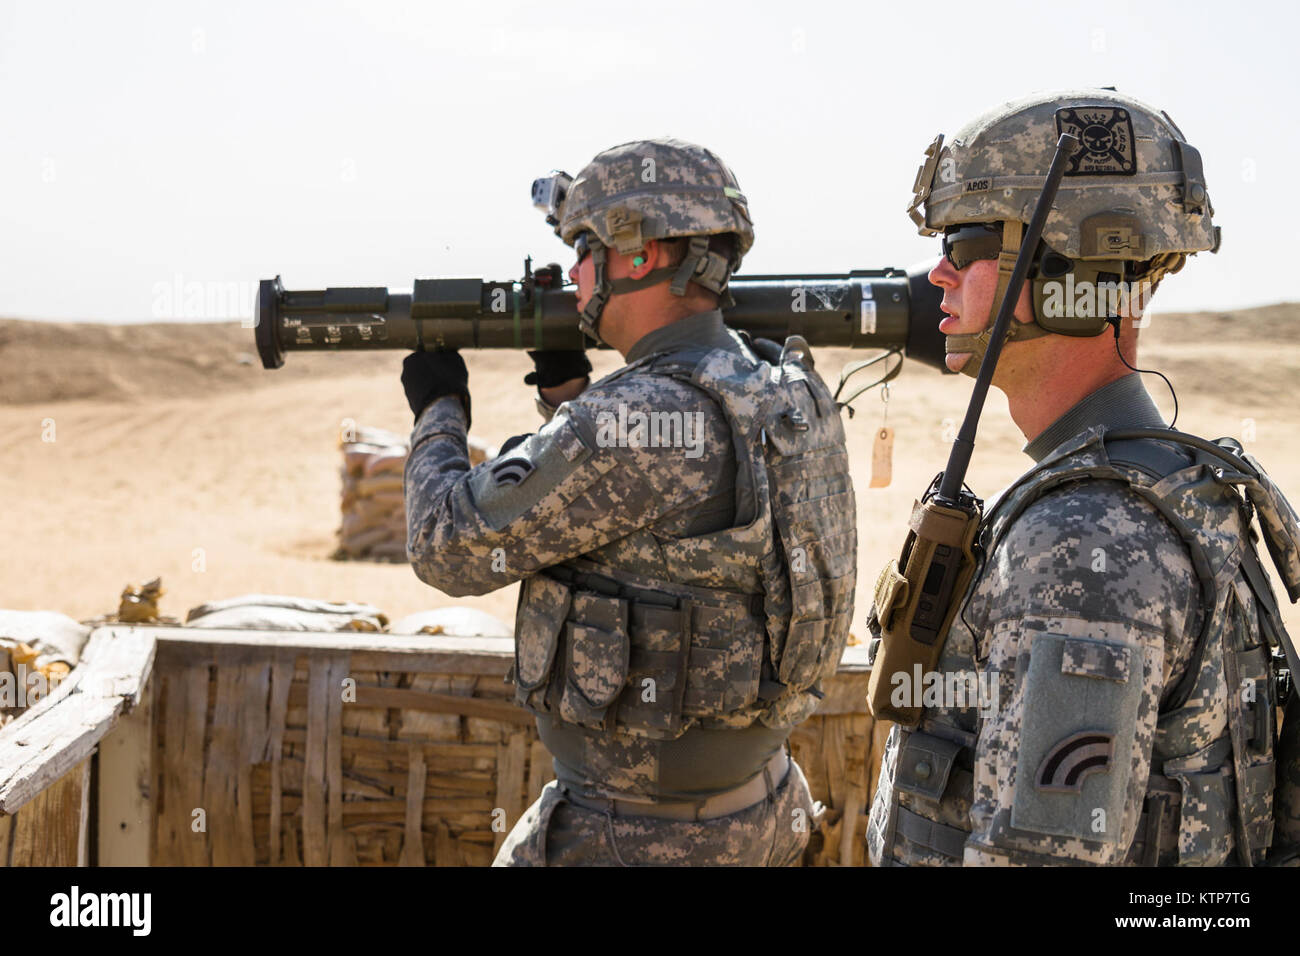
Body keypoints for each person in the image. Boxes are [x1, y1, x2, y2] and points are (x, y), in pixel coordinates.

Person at [867, 88, 1300, 866]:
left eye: (965, 246)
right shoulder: (1172, 488)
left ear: (1074, 266)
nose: (937, 274)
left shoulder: (1083, 541)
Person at [400, 138, 857, 866]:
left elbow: (444, 544)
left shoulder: (630, 422)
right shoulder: (783, 384)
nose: (575, 272)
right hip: (765, 801)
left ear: (638, 256)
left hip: (641, 836)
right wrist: (568, 401)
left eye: (585, 247)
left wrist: (439, 408)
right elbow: (666, 523)